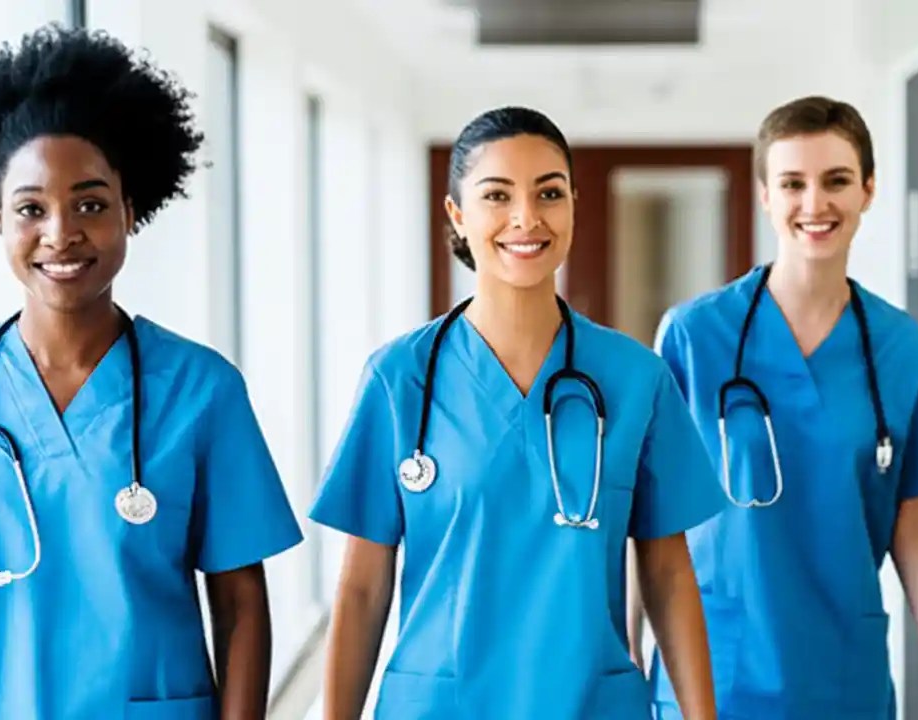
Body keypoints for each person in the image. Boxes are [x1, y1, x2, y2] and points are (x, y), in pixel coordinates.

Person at [0, 25, 302, 720]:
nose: (61, 233)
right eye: (31, 209)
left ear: (130, 211)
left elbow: (240, 603)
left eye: (90, 204)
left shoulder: (202, 391)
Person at [309, 106, 725, 719]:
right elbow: (364, 588)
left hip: (588, 703)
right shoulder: (399, 378)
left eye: (549, 193)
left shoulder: (636, 379)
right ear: (457, 213)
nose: (526, 218)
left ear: (574, 205)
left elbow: (667, 573)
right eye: (497, 195)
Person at [637, 96, 918, 720]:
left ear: (868, 190)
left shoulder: (903, 350)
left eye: (836, 181)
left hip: (842, 678)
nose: (814, 203)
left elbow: (915, 524)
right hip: (714, 678)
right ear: (766, 195)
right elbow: (649, 512)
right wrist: (627, 659)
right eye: (793, 183)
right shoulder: (695, 336)